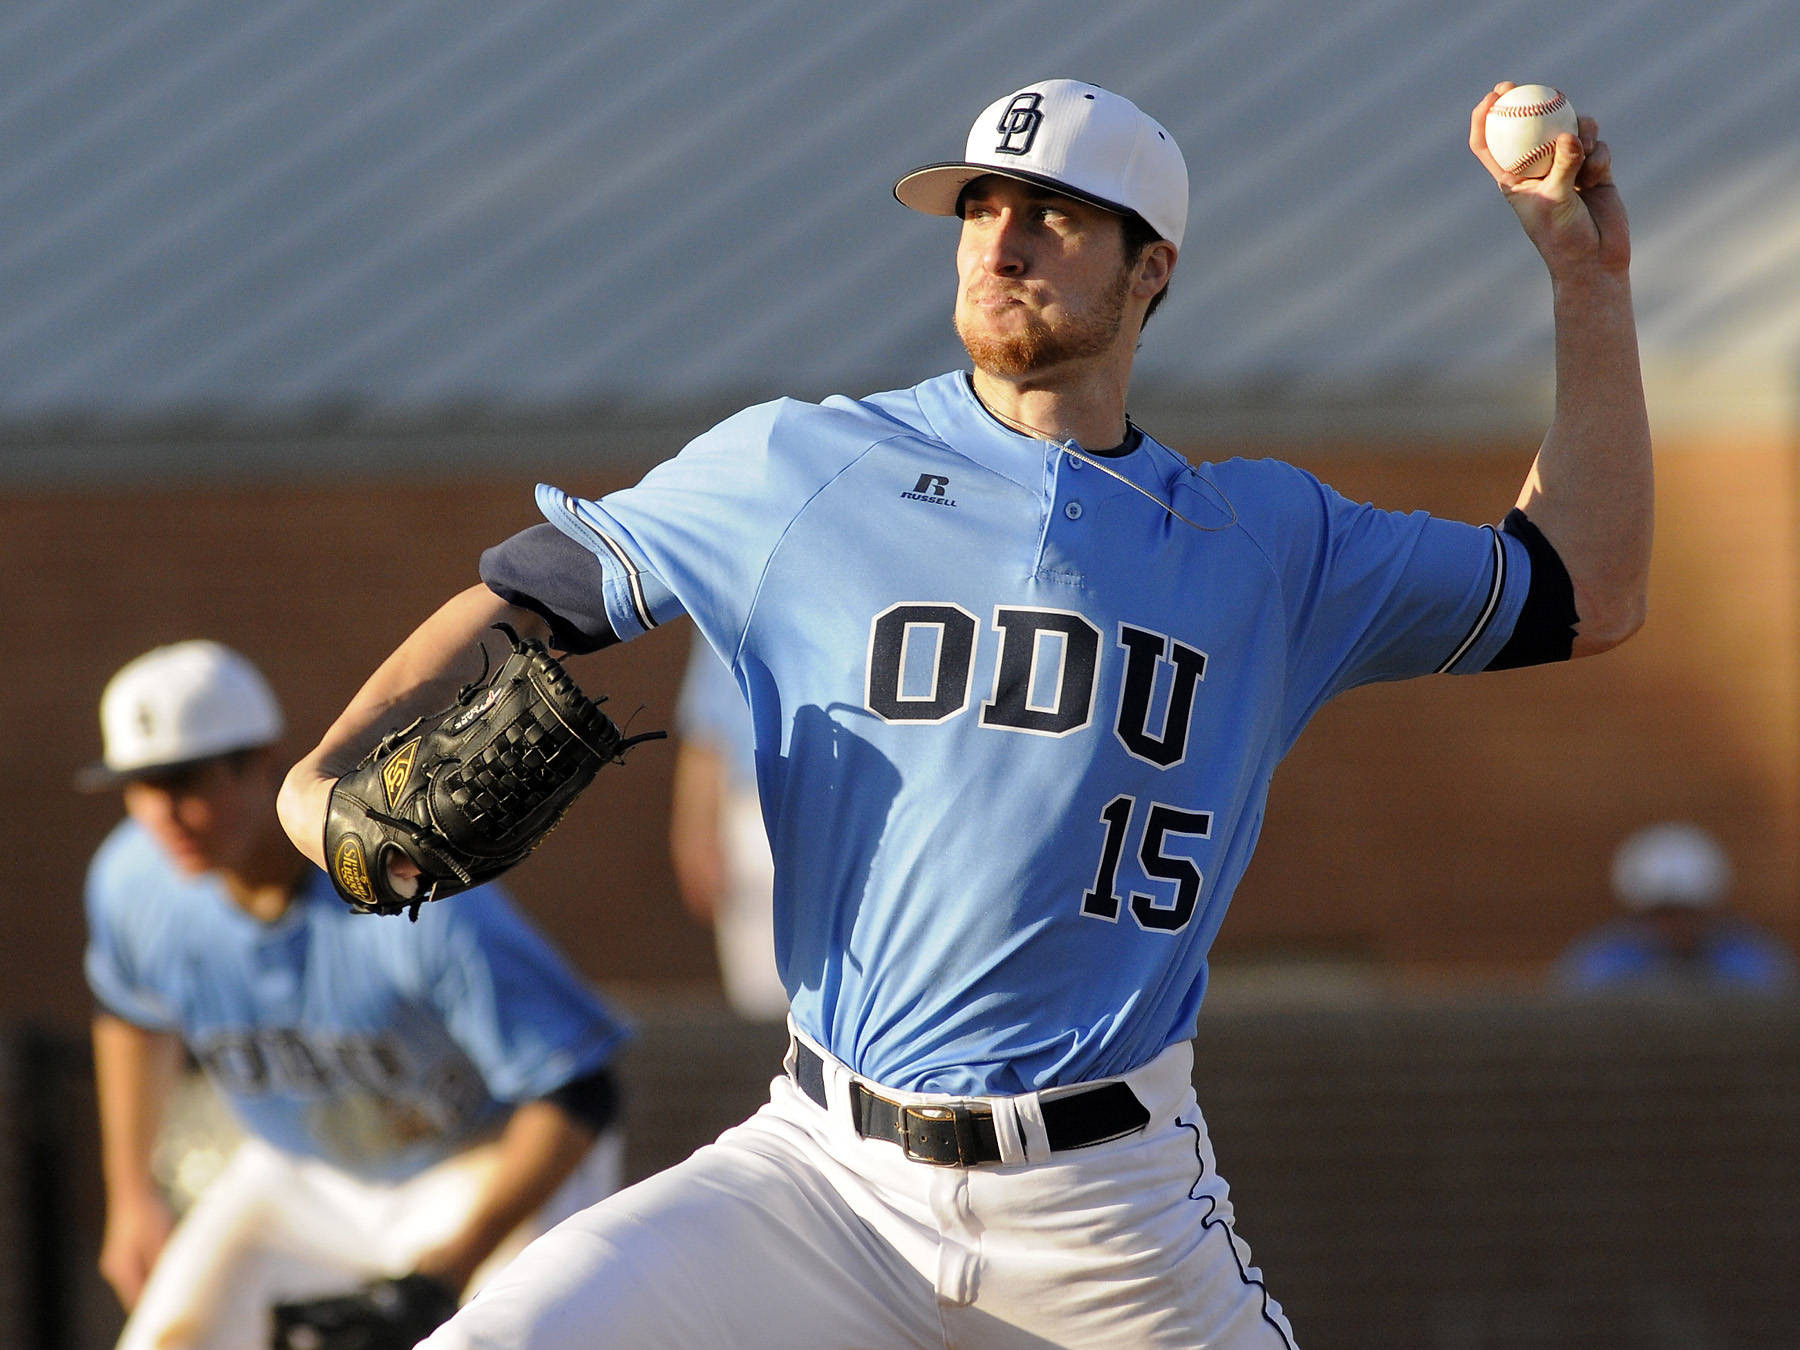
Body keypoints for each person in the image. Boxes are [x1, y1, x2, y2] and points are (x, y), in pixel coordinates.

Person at [279, 77, 1652, 1348]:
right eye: (981, 208)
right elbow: (529, 592)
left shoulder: (1268, 544)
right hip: (820, 1177)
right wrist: (318, 776)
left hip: (1108, 1213)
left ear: (1152, 268)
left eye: (1056, 217)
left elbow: (1586, 590)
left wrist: (1588, 287)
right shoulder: (799, 466)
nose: (1002, 243)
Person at [79, 639, 632, 1349]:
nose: (162, 813)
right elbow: (129, 1016)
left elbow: (579, 1094)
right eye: (139, 786)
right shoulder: (132, 880)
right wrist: (132, 1195)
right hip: (303, 1176)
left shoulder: (409, 891)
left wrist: (441, 1275)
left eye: (184, 781)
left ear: (262, 763)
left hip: (479, 1163)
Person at [668, 629, 787, 1019]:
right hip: (753, 810)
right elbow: (708, 727)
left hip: (844, 810)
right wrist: (694, 831)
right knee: (763, 1001)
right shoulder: (741, 596)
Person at [1557, 822, 1796, 994]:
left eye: (1687, 914)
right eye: (1661, 914)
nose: (1675, 926)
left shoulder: (1754, 964)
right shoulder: (1601, 966)